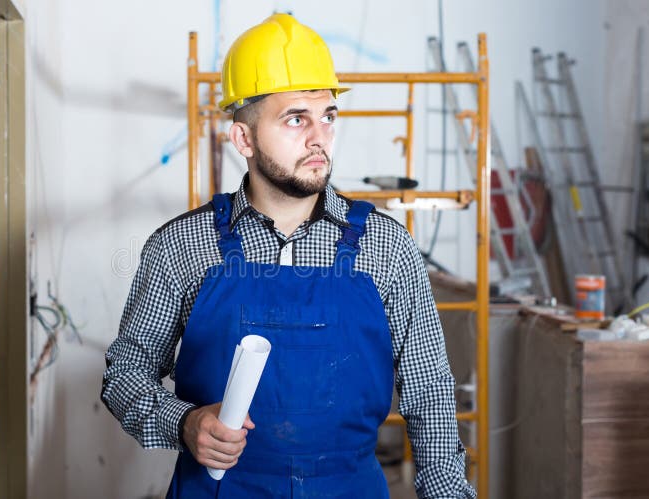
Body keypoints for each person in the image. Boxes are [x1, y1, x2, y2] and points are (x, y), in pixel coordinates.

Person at [101, 13, 476, 498]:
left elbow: (429, 393)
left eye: (329, 116)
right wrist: (186, 421)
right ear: (244, 139)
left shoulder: (387, 248)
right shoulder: (183, 246)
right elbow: (125, 374)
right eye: (296, 118)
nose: (319, 136)